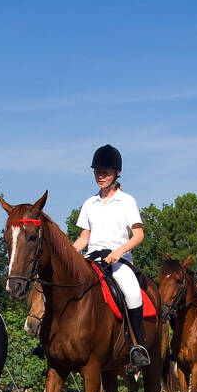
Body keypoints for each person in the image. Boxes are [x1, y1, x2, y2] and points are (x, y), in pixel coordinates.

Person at [72, 144, 150, 368]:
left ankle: (137, 347)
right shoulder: (89, 203)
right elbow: (84, 238)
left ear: (117, 173)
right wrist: (68, 253)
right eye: (97, 171)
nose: (100, 176)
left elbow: (138, 235)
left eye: (105, 172)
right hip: (92, 259)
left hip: (118, 260)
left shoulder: (127, 201)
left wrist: (119, 252)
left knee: (133, 294)